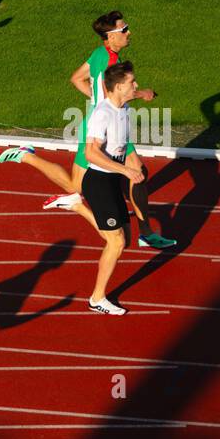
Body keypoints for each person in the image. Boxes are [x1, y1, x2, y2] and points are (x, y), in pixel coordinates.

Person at [0, 10, 174, 249]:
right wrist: (142, 93)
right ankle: (26, 156)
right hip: (99, 131)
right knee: (75, 186)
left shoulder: (99, 53)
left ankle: (145, 231)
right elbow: (114, 95)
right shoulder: (110, 61)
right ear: (110, 37)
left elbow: (76, 79)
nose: (128, 32)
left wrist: (95, 99)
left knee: (138, 172)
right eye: (124, 30)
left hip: (112, 125)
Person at [80, 62, 146, 315]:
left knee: (124, 239)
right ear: (119, 87)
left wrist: (134, 166)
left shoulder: (125, 108)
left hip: (112, 180)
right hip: (98, 182)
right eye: (132, 83)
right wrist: (125, 171)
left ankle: (75, 205)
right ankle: (97, 299)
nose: (136, 86)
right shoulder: (102, 114)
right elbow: (91, 153)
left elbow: (122, 147)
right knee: (116, 242)